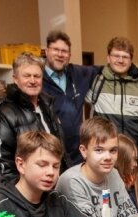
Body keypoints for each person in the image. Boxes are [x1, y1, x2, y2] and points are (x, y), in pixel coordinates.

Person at [85, 36, 138, 172]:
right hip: (104, 159)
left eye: (125, 57)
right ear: (108, 58)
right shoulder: (96, 83)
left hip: (135, 159)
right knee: (106, 188)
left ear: (131, 60)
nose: (120, 60)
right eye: (116, 56)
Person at [56, 117, 138, 217]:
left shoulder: (114, 174)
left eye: (113, 150)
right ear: (84, 151)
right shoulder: (72, 181)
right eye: (99, 150)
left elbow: (128, 214)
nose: (108, 157)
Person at [0, 54, 65, 183]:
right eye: (27, 76)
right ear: (15, 79)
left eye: (37, 76)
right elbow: (5, 164)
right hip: (28, 188)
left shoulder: (47, 105)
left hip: (54, 182)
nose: (32, 81)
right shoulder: (5, 113)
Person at [42, 30, 98, 167]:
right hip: (50, 154)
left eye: (64, 51)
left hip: (77, 155)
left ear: (69, 55)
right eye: (56, 49)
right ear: (46, 51)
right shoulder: (37, 78)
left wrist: (135, 72)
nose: (60, 54)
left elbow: (105, 69)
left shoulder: (77, 73)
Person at [116, 133, 138, 213]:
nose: (136, 164)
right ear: (121, 161)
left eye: (136, 159)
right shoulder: (113, 187)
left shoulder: (134, 182)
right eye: (131, 160)